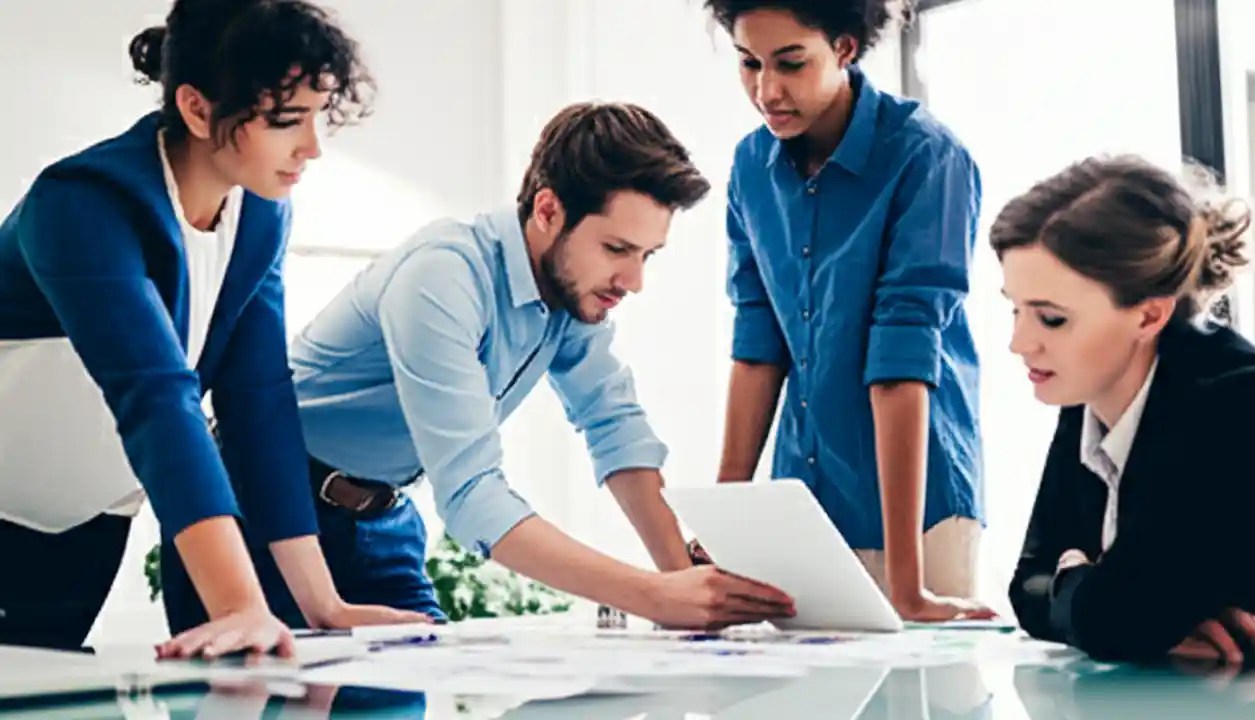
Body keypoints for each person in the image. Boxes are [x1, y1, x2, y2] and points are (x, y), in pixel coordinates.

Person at [0, 0, 424, 657]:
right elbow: (156, 396)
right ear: (197, 109)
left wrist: (321, 603)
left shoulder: (258, 215)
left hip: (83, 523)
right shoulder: (80, 205)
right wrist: (238, 606)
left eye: (317, 116)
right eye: (287, 120)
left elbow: (257, 400)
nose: (312, 147)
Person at [282, 101, 796, 630]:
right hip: (274, 513)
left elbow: (615, 427)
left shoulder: (572, 299)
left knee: (403, 703)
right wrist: (651, 595)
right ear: (548, 211)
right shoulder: (442, 276)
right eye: (617, 248)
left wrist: (682, 583)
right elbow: (471, 493)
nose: (633, 280)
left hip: (384, 522)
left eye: (647, 255)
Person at [702, 0, 992, 621]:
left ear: (845, 48)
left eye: (790, 63)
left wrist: (909, 585)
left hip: (921, 504)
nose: (766, 90)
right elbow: (757, 344)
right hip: (799, 502)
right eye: (749, 63)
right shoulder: (750, 167)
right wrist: (724, 527)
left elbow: (901, 360)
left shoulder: (927, 157)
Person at [999, 155, 1255, 666]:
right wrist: (1104, 600)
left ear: (1150, 314)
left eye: (1052, 319)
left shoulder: (1243, 403)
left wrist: (1083, 587)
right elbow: (1027, 590)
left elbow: (1115, 617)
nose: (1019, 343)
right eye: (1015, 309)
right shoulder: (1090, 390)